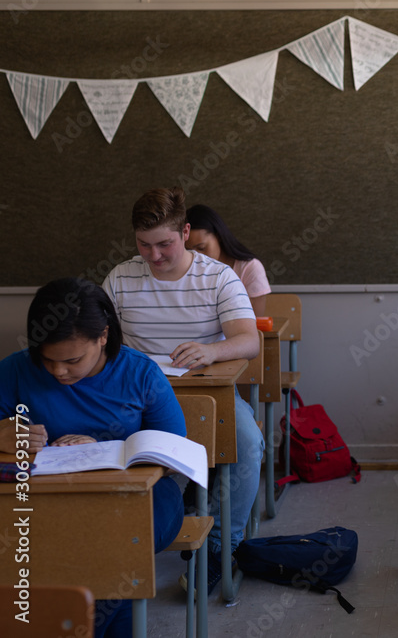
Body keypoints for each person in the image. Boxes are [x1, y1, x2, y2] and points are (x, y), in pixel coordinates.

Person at [0, 278, 185, 638]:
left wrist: (102, 450)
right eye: (47, 359)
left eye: (72, 360)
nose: (58, 371)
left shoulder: (140, 373)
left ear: (103, 336)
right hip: (44, 494)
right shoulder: (15, 370)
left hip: (142, 496)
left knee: (110, 546)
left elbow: (172, 450)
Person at [102, 186, 263, 595]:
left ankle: (220, 548)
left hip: (207, 391)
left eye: (164, 244)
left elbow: (248, 341)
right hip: (139, 397)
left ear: (186, 232)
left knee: (247, 442)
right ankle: (112, 545)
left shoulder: (218, 276)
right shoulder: (120, 279)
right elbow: (100, 342)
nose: (154, 256)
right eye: (143, 245)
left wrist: (210, 350)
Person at [186, 203, 272, 316]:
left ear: (219, 237)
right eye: (188, 251)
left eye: (201, 248)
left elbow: (255, 322)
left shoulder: (250, 268)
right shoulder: (186, 269)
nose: (197, 257)